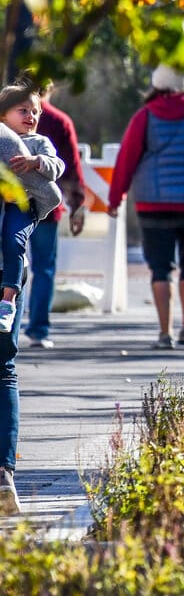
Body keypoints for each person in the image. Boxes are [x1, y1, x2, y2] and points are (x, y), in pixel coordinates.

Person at [107, 67, 184, 349]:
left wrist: (116, 198)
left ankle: (165, 334)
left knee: (160, 269)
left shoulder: (145, 116)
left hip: (153, 203)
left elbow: (126, 158)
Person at [0, 83, 65, 517]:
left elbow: (56, 170)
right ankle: (4, 476)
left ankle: (5, 474)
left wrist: (37, 162)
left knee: (16, 241)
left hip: (17, 220)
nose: (32, 117)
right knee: (4, 369)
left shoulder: (34, 143)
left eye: (35, 111)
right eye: (23, 111)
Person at [23, 87, 84, 348]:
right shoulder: (59, 120)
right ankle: (38, 329)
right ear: (50, 88)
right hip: (46, 210)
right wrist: (77, 205)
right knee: (44, 268)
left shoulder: (9, 117)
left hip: (13, 204)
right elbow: (71, 167)